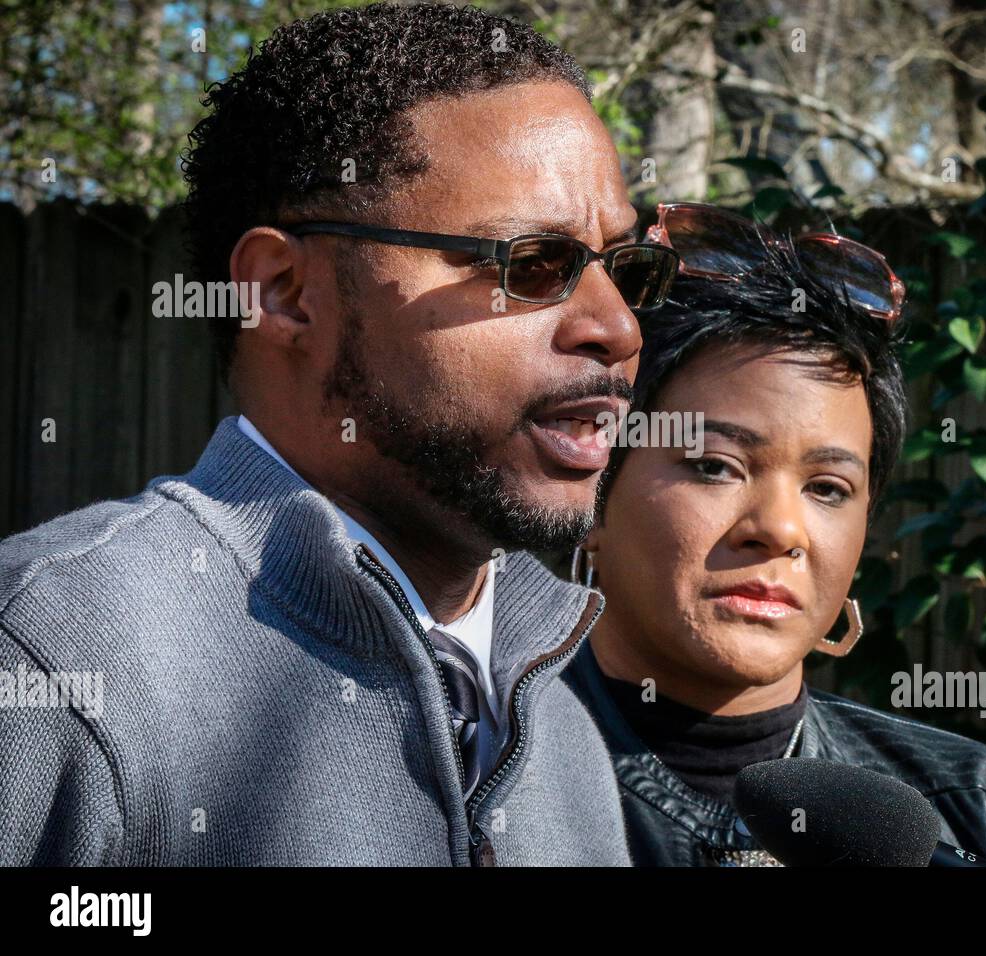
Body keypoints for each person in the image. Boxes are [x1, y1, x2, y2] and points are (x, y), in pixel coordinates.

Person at [0, 2, 678, 866]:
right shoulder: (56, 658)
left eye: (626, 268)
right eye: (531, 265)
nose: (616, 328)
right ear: (283, 291)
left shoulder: (560, 730)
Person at [563, 210, 986, 866]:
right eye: (714, 466)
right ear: (594, 492)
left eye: (828, 488)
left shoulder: (976, 812)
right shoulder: (474, 778)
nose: (779, 530)